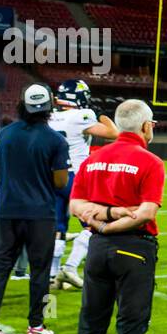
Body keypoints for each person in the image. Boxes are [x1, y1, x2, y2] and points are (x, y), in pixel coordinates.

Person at [68, 100, 166, 334]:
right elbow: (146, 214)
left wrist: (100, 225)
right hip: (134, 248)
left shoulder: (93, 159)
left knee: (91, 324)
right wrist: (113, 223)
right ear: (145, 126)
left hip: (97, 247)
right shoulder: (150, 162)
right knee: (131, 325)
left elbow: (76, 205)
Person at [0, 84, 69, 334]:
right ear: (49, 106)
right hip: (40, 215)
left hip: (7, 212)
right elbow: (60, 182)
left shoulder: (4, 134)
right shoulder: (56, 140)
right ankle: (36, 326)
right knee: (40, 272)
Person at [49, 79, 118, 289]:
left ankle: (52, 275)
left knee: (58, 227)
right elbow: (113, 133)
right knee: (94, 224)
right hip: (77, 178)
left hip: (54, 177)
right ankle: (70, 267)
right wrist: (103, 115)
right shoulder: (81, 115)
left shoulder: (50, 115)